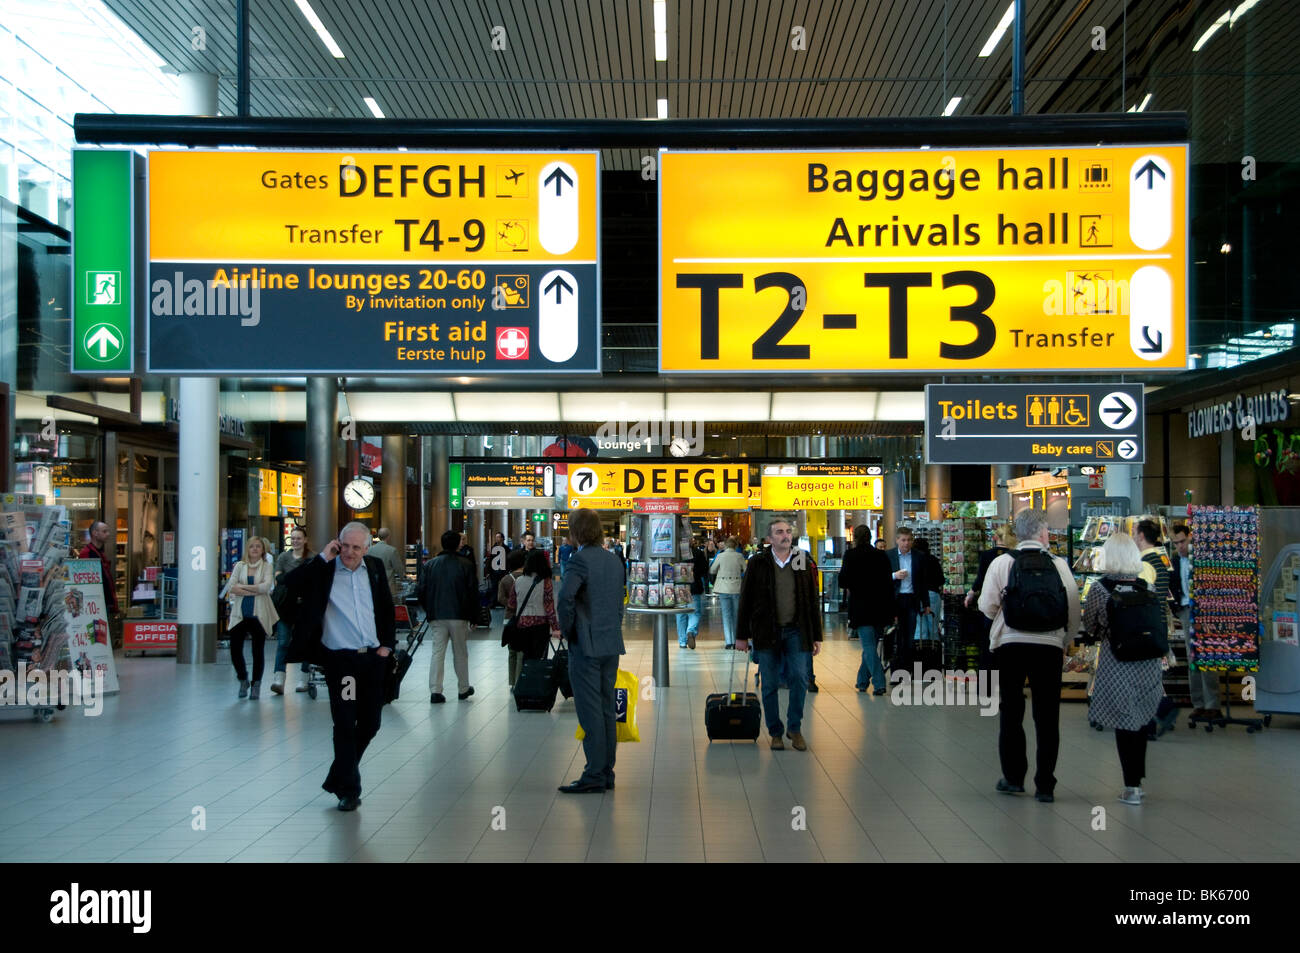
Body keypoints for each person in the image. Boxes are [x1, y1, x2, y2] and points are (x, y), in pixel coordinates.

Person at [283, 522, 396, 811]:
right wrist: (323, 557)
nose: (349, 552)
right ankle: (349, 789)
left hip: (372, 659)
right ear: (337, 542)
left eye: (356, 547)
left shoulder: (373, 568)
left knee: (371, 723)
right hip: (342, 661)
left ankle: (338, 774)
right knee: (345, 723)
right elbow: (289, 583)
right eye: (345, 545)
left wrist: (387, 645)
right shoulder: (325, 569)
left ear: (367, 548)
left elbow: (385, 605)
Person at [979, 508, 1081, 803]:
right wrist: (1064, 639)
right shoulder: (1058, 565)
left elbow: (987, 606)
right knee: (1047, 716)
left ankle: (1013, 778)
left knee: (1011, 712)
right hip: (1049, 646)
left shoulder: (1001, 564)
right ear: (1042, 533)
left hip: (1011, 645)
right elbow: (1073, 608)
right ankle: (1045, 785)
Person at [1083, 533, 1165, 805]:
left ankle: (1131, 786)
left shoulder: (1100, 589)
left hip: (1117, 661)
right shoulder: (1147, 587)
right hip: (1148, 662)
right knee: (1141, 719)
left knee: (1124, 721)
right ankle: (1137, 781)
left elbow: (1091, 627)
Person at [736, 518, 822, 751]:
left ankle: (794, 728)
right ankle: (775, 731)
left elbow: (811, 599)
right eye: (779, 532)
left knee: (799, 678)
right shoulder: (758, 563)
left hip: (797, 630)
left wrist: (816, 635)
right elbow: (745, 600)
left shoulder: (800, 560)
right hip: (767, 631)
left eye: (787, 531)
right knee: (770, 683)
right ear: (769, 539)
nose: (785, 536)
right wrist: (741, 635)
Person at [556, 507, 627, 793]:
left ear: (575, 532)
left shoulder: (579, 560)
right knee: (607, 709)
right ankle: (606, 771)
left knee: (589, 711)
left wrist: (570, 630)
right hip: (611, 643)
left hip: (586, 646)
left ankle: (594, 774)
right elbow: (619, 602)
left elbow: (565, 599)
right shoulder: (614, 561)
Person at [418, 530, 478, 704]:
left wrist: (429, 610)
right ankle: (463, 688)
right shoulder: (466, 564)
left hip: (436, 615)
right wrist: (474, 616)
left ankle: (436, 690)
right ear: (458, 543)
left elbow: (421, 590)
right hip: (459, 615)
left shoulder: (430, 565)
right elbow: (472, 592)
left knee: (438, 652)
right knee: (460, 652)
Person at [840, 524, 894, 695]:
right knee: (871, 646)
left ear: (854, 537)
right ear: (870, 537)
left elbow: (843, 581)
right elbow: (888, 584)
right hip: (880, 607)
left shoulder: (850, 555)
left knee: (869, 646)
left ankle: (879, 683)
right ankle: (862, 681)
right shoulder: (881, 556)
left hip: (860, 607)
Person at [1169, 523, 1215, 718]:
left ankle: (1212, 704)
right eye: (1176, 543)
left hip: (1203, 611)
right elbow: (1172, 587)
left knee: (1206, 656)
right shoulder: (1174, 561)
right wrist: (1177, 611)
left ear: (1190, 538)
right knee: (1192, 657)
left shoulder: (1201, 559)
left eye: (1183, 541)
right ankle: (1199, 703)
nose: (1180, 546)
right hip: (1186, 611)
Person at [224, 535, 278, 699]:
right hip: (240, 613)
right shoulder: (240, 566)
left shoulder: (267, 567)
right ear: (247, 549)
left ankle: (256, 684)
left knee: (257, 651)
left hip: (259, 614)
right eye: (252, 546)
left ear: (263, 550)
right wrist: (253, 588)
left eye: (258, 546)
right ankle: (242, 679)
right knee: (235, 650)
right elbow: (232, 587)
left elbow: (265, 587)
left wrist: (244, 587)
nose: (255, 549)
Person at [965, 523, 1017, 673]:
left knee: (987, 646)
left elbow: (980, 579)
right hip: (1011, 607)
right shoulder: (1015, 556)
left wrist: (971, 593)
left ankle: (986, 687)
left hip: (990, 605)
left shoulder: (987, 555)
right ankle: (1006, 685)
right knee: (1008, 648)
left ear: (995, 537)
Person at [271, 526, 313, 694]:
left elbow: (311, 581)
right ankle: (279, 678)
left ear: (305, 540)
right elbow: (277, 578)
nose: (295, 541)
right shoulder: (283, 557)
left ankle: (304, 679)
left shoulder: (311, 557)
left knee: (305, 642)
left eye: (298, 538)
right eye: (293, 538)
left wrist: (289, 579)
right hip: (285, 607)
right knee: (282, 643)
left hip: (304, 607)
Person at [507, 549, 562, 673]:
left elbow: (511, 604)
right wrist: (555, 628)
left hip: (522, 625)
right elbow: (549, 607)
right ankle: (537, 685)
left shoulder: (519, 581)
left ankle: (526, 685)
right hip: (540, 626)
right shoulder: (545, 582)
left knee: (526, 657)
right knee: (539, 658)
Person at [79, 521, 121, 648]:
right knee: (99, 640)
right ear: (94, 533)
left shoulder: (99, 553)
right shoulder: (87, 553)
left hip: (103, 602)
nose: (108, 534)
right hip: (95, 603)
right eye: (104, 531)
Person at [886, 527, 921, 671]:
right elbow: (881, 578)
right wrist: (894, 575)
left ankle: (907, 668)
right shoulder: (889, 556)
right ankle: (896, 669)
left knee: (909, 636)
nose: (906, 543)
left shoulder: (918, 556)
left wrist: (925, 603)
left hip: (912, 599)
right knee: (896, 635)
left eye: (909, 540)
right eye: (903, 540)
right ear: (897, 540)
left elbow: (922, 581)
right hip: (896, 600)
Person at [498, 548, 528, 687]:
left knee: (512, 651)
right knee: (522, 650)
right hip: (524, 617)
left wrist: (510, 605)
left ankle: (511, 682)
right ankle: (519, 680)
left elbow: (500, 598)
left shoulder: (505, 579)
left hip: (509, 617)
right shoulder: (528, 579)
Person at [709, 536, 746, 649]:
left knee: (726, 615)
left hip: (723, 588)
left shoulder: (720, 556)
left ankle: (728, 642)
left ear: (725, 545)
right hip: (736, 588)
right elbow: (746, 570)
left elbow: (712, 570)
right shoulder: (739, 556)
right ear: (735, 545)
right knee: (736, 615)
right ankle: (736, 641)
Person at [675, 538, 709, 650]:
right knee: (695, 613)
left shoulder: (676, 553)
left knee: (680, 615)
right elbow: (705, 569)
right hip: (694, 587)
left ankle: (682, 642)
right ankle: (691, 630)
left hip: (678, 587)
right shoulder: (698, 553)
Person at [912, 537, 946, 642]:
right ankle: (933, 653)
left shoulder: (913, 560)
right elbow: (941, 580)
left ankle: (920, 652)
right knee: (933, 627)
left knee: (919, 627)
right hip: (932, 594)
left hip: (916, 595)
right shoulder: (933, 560)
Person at [368, 527, 405, 598]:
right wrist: (402, 578)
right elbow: (398, 568)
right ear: (388, 537)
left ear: (378, 536)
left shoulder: (369, 550)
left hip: (373, 585)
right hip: (388, 585)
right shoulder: (392, 550)